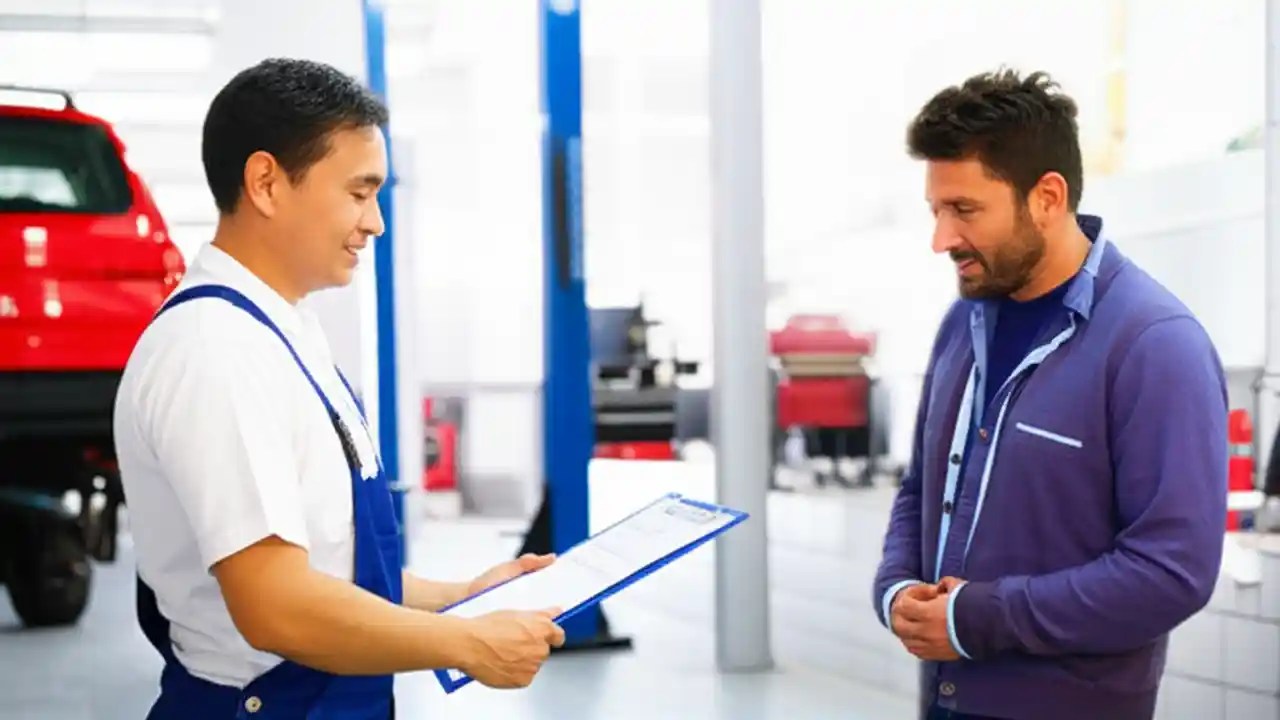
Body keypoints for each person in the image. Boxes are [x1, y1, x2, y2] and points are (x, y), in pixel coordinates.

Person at [113, 58, 565, 719]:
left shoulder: (282, 330)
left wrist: (464, 594)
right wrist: (463, 642)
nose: (375, 222)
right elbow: (277, 606)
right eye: (359, 192)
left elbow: (331, 564)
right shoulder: (216, 351)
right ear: (266, 182)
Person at [872, 69, 1228, 720]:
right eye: (936, 210)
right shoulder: (964, 323)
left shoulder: (1154, 344)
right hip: (948, 702)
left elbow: (1172, 572)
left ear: (1047, 197)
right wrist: (895, 588)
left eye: (965, 210)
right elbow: (920, 487)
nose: (941, 239)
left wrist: (977, 617)